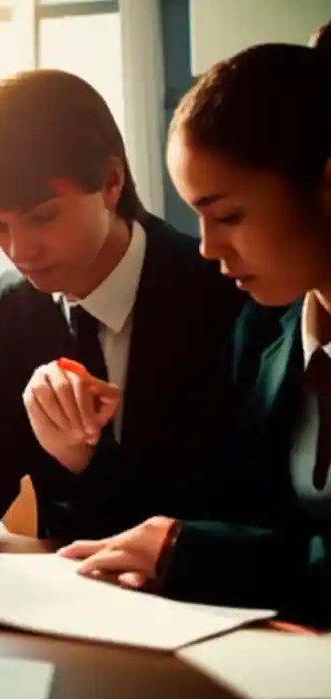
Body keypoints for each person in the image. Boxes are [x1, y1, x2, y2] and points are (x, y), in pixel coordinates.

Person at [0, 70, 244, 563]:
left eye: (41, 217)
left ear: (111, 182)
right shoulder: (12, 301)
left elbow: (230, 500)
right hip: (62, 587)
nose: (19, 251)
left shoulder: (222, 288)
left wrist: (87, 459)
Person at [59, 41, 331, 622]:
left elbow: (209, 543)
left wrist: (197, 555)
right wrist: (86, 450)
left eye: (229, 215)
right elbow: (204, 504)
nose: (207, 248)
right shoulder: (264, 332)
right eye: (198, 218)